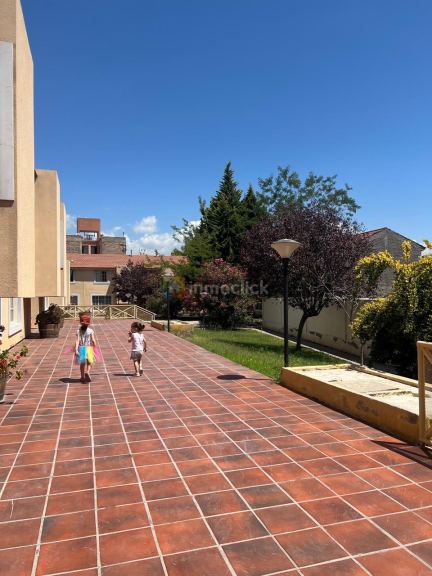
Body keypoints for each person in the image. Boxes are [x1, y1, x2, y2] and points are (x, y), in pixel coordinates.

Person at [75, 312, 97, 383]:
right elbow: (93, 340)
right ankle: (87, 372)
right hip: (89, 348)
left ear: (80, 322)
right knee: (90, 361)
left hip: (82, 348)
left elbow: (77, 341)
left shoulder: (78, 331)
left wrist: (76, 349)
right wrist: (94, 348)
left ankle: (82, 377)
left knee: (82, 363)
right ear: (89, 323)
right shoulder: (90, 331)